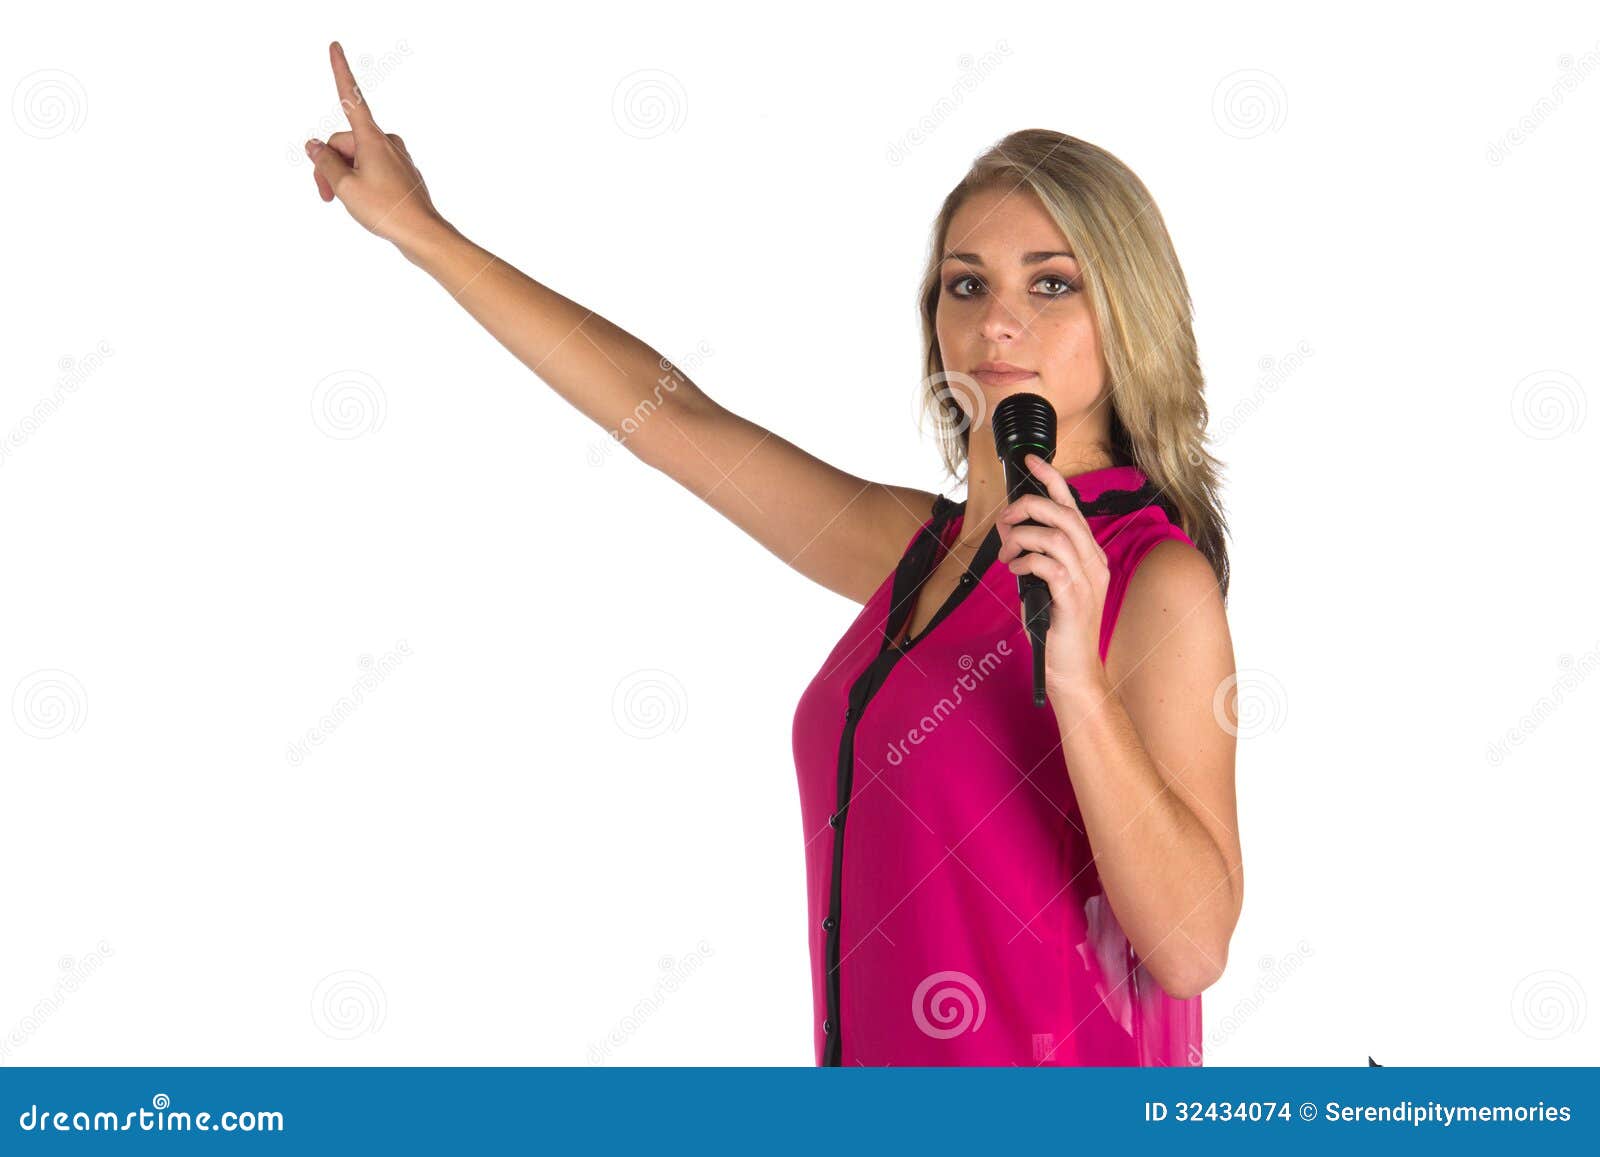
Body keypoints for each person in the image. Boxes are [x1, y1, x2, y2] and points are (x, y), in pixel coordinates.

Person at [302, 41, 1241, 1067]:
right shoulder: (922, 556)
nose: (997, 319)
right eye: (964, 284)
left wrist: (1079, 687)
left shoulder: (1152, 580)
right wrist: (419, 232)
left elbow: (1191, 944)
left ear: (1127, 318)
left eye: (1051, 283)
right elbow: (672, 420)